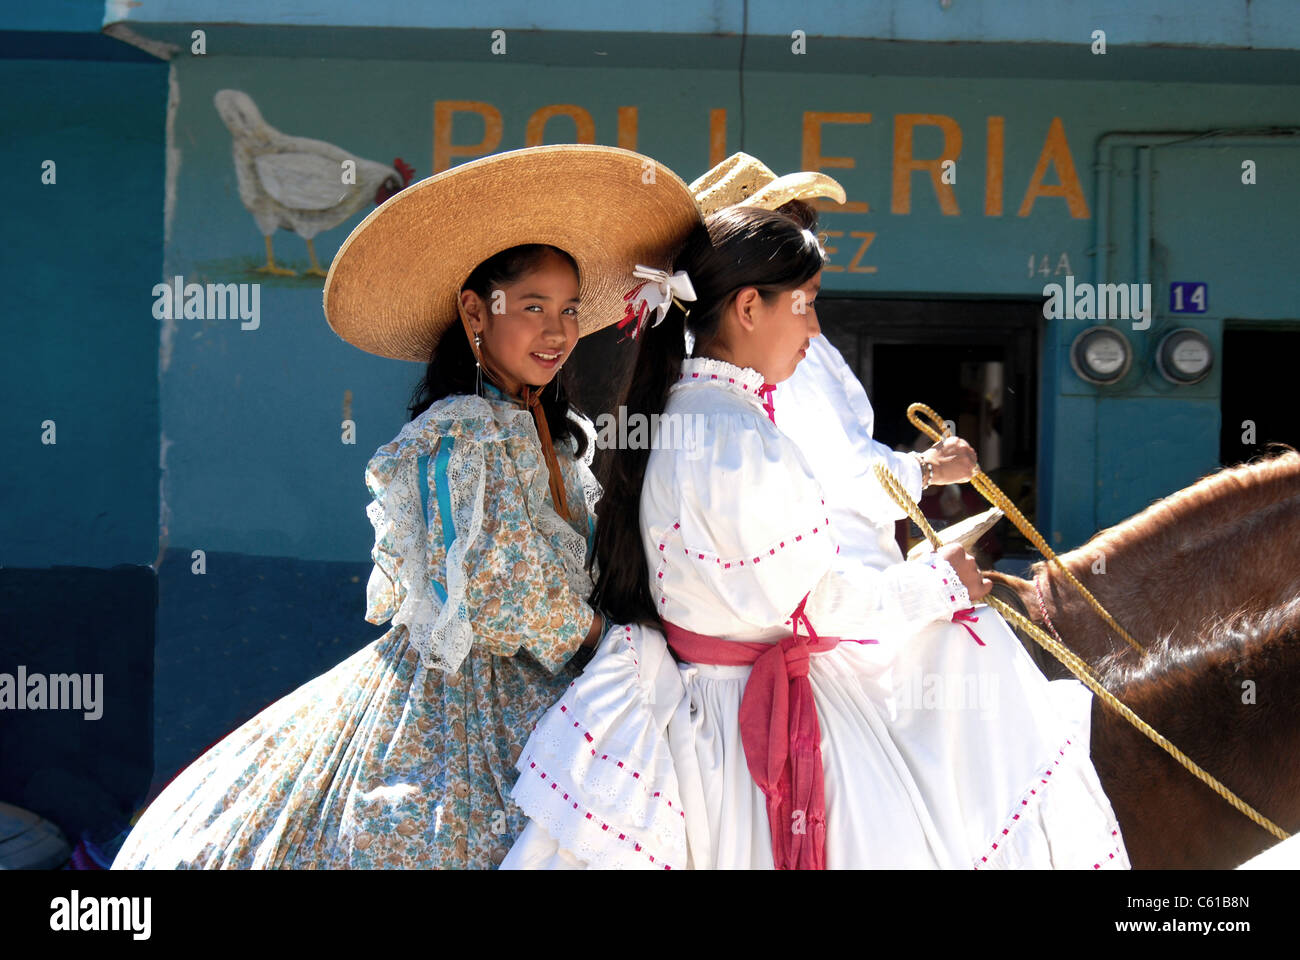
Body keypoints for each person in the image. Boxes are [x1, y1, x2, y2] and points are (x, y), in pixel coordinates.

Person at [111, 144, 702, 869]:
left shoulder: (554, 434)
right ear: (474, 311)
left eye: (570, 311)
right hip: (457, 706)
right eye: (534, 308)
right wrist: (601, 642)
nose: (556, 332)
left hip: (563, 693)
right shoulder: (451, 435)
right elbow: (487, 583)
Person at [502, 202, 1129, 869]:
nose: (815, 327)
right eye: (805, 304)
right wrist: (937, 582)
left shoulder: (699, 414)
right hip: (747, 714)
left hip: (723, 702)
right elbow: (810, 607)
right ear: (748, 308)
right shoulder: (735, 436)